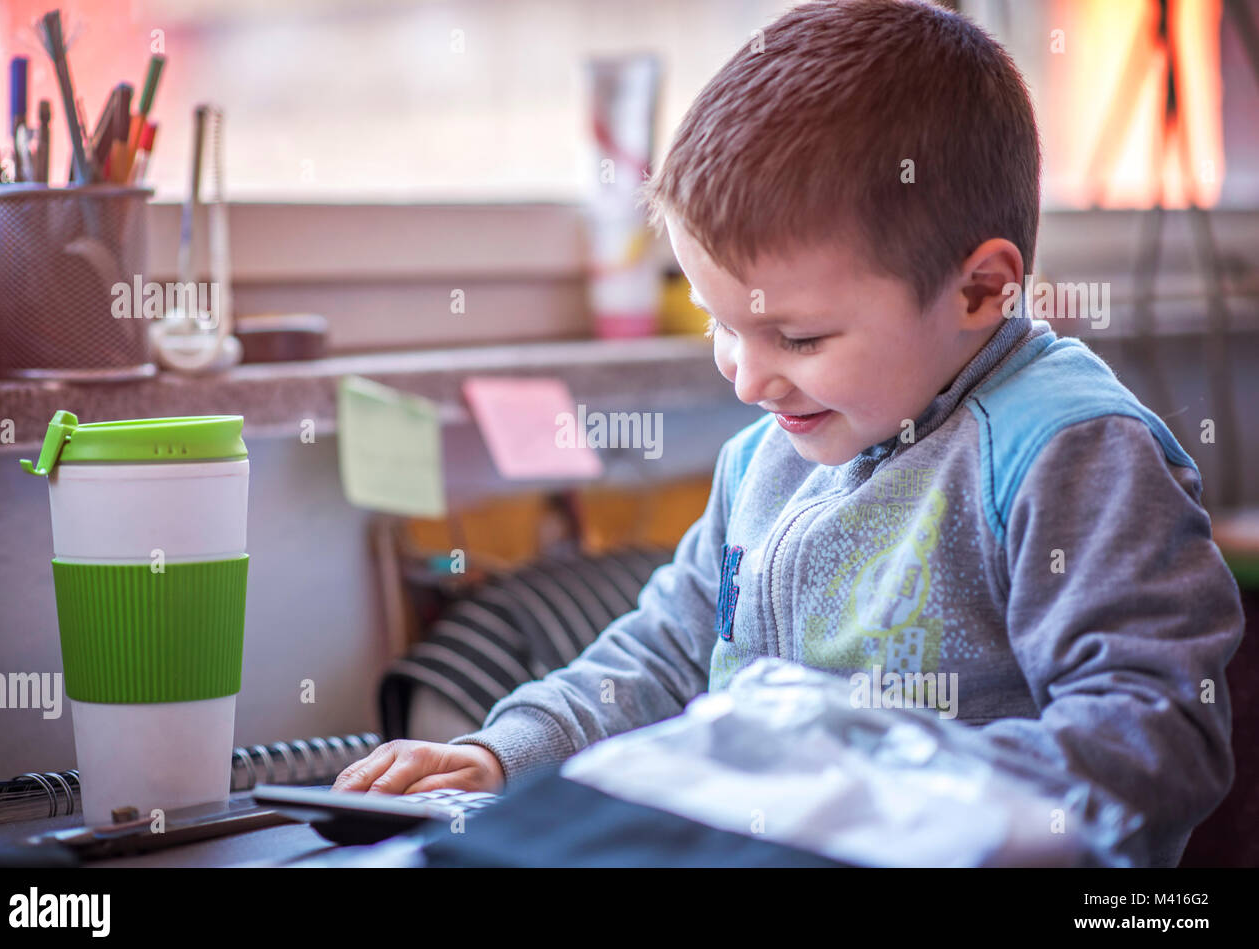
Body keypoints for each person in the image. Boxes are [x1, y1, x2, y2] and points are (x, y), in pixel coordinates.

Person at [333, 0, 1243, 867]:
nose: (746, 374)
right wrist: (507, 749)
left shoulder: (1073, 454)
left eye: (797, 337)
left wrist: (860, 775)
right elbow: (664, 647)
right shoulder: (772, 455)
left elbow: (1156, 735)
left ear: (979, 291)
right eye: (720, 323)